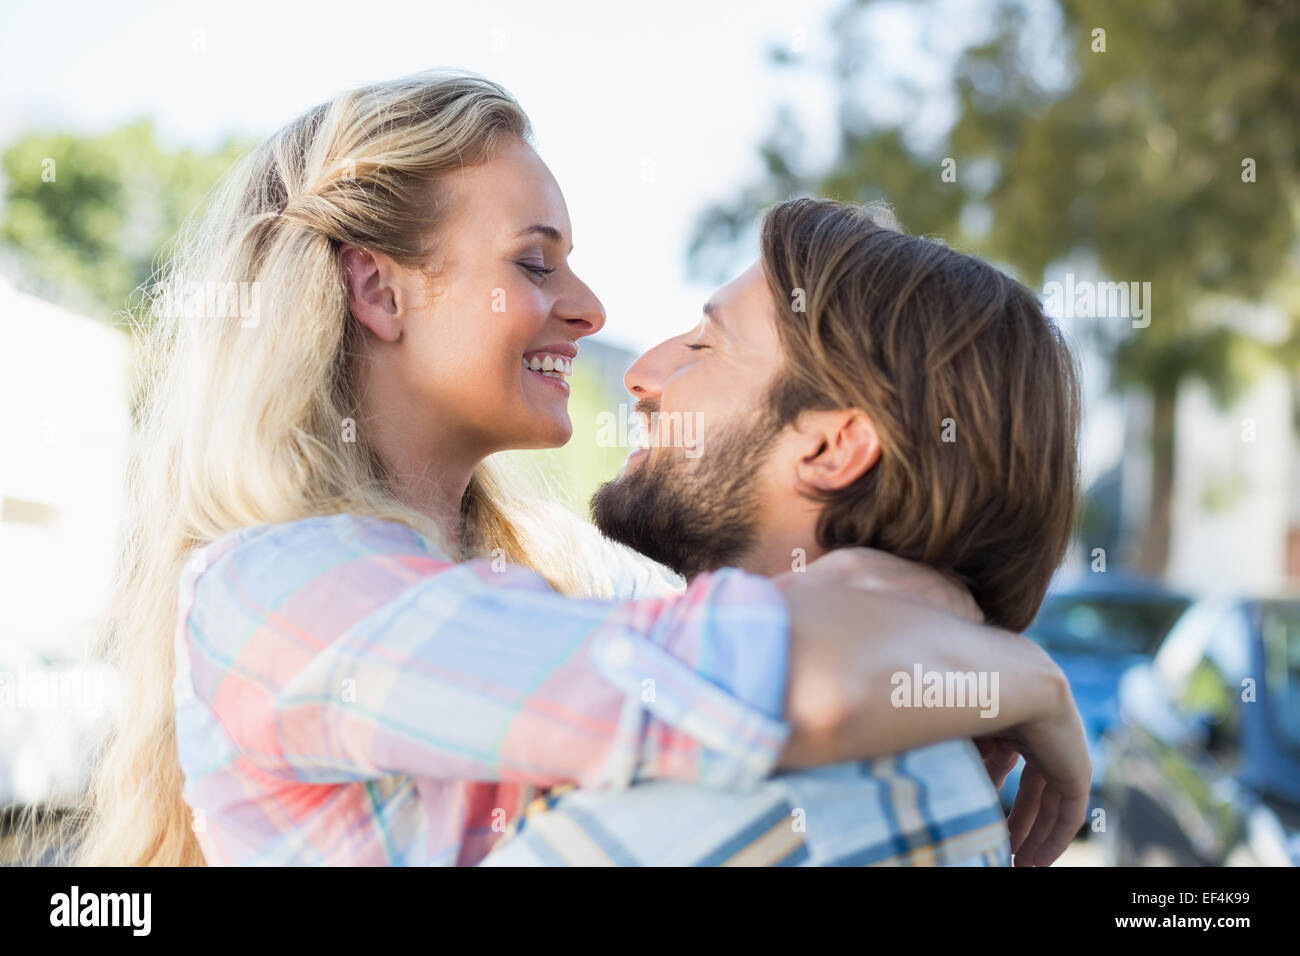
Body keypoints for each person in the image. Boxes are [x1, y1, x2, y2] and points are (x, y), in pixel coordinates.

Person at [74, 71, 1087, 867]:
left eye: (703, 342)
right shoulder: (282, 591)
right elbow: (732, 680)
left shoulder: (544, 598)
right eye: (533, 260)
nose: (599, 316)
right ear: (377, 291)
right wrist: (1017, 671)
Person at [486, 197, 1084, 866]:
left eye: (704, 346)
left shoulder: (738, 796)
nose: (642, 375)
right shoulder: (926, 765)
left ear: (832, 447)